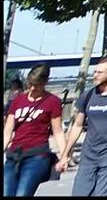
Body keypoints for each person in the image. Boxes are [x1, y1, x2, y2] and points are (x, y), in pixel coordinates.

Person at [56, 56, 107, 197]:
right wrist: (65, 155)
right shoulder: (87, 96)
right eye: (94, 72)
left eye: (100, 72)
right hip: (88, 154)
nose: (95, 75)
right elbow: (77, 126)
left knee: (102, 194)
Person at [2, 64, 66, 196]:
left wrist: (64, 156)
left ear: (45, 82)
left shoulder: (52, 102)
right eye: (30, 84)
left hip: (36, 156)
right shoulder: (17, 101)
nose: (32, 88)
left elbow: (58, 131)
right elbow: (8, 130)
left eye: (36, 85)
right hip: (14, 155)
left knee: (22, 194)